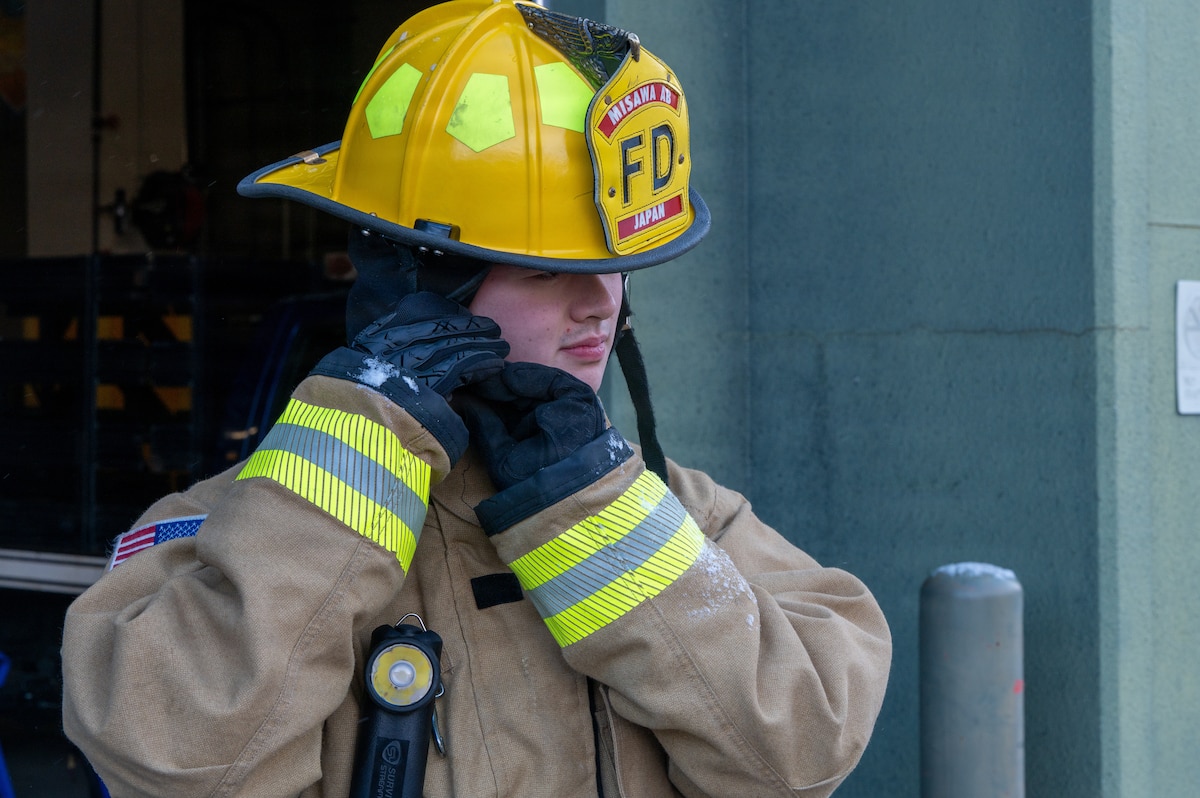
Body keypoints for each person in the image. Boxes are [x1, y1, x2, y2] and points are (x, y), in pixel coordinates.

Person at [61, 2, 892, 796]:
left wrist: (595, 514)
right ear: (418, 286)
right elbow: (180, 766)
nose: (603, 304)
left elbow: (795, 761)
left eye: (616, 267)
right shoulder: (235, 533)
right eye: (548, 271)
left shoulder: (675, 515)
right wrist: (353, 452)